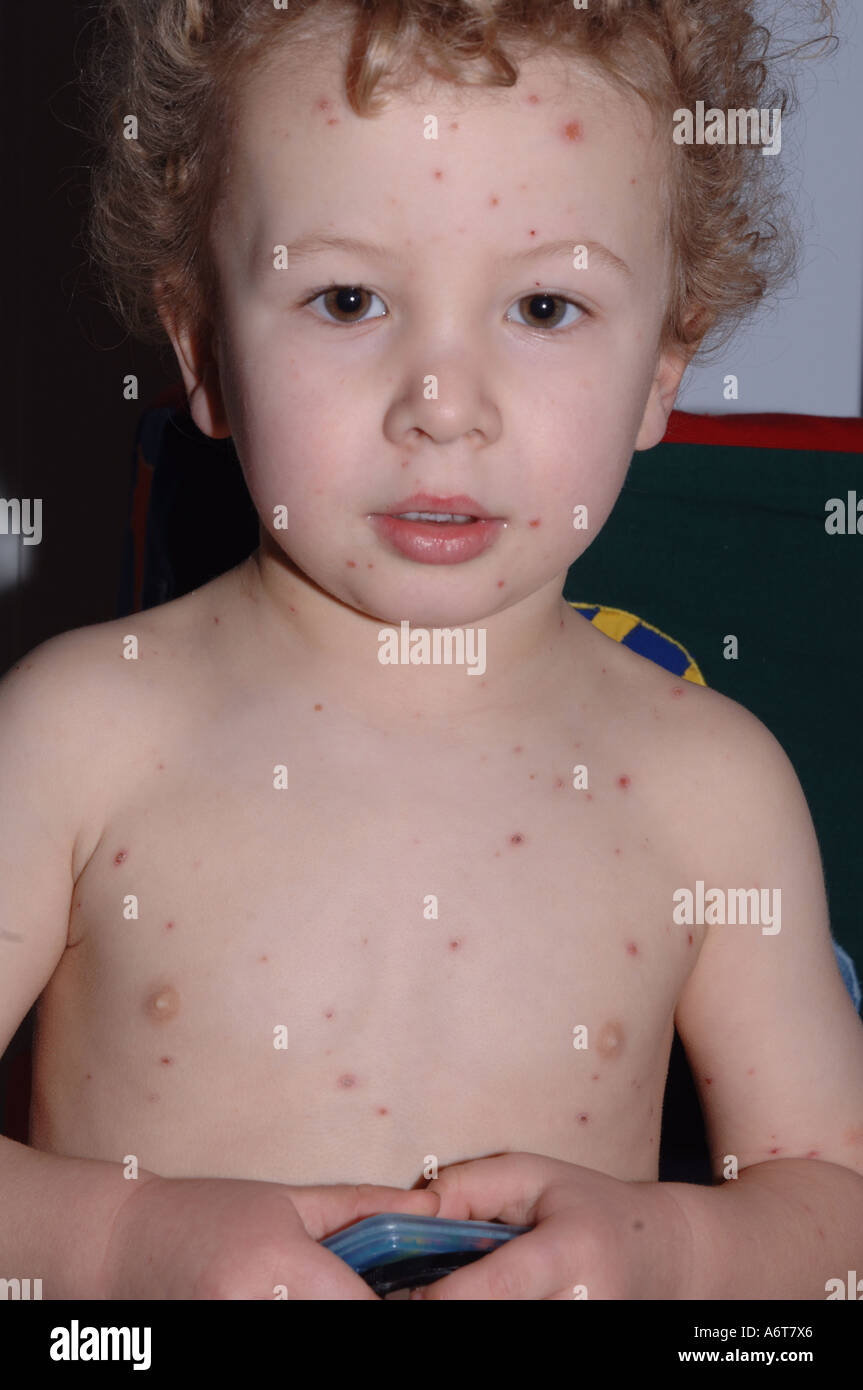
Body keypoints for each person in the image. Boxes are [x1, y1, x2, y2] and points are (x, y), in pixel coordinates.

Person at [1, 0, 860, 1300]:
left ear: (664, 370)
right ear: (204, 351)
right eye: (347, 298)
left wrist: (669, 1253)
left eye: (545, 305)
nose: (443, 404)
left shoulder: (714, 790)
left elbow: (835, 1204)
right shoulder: (79, 733)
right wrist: (118, 1245)